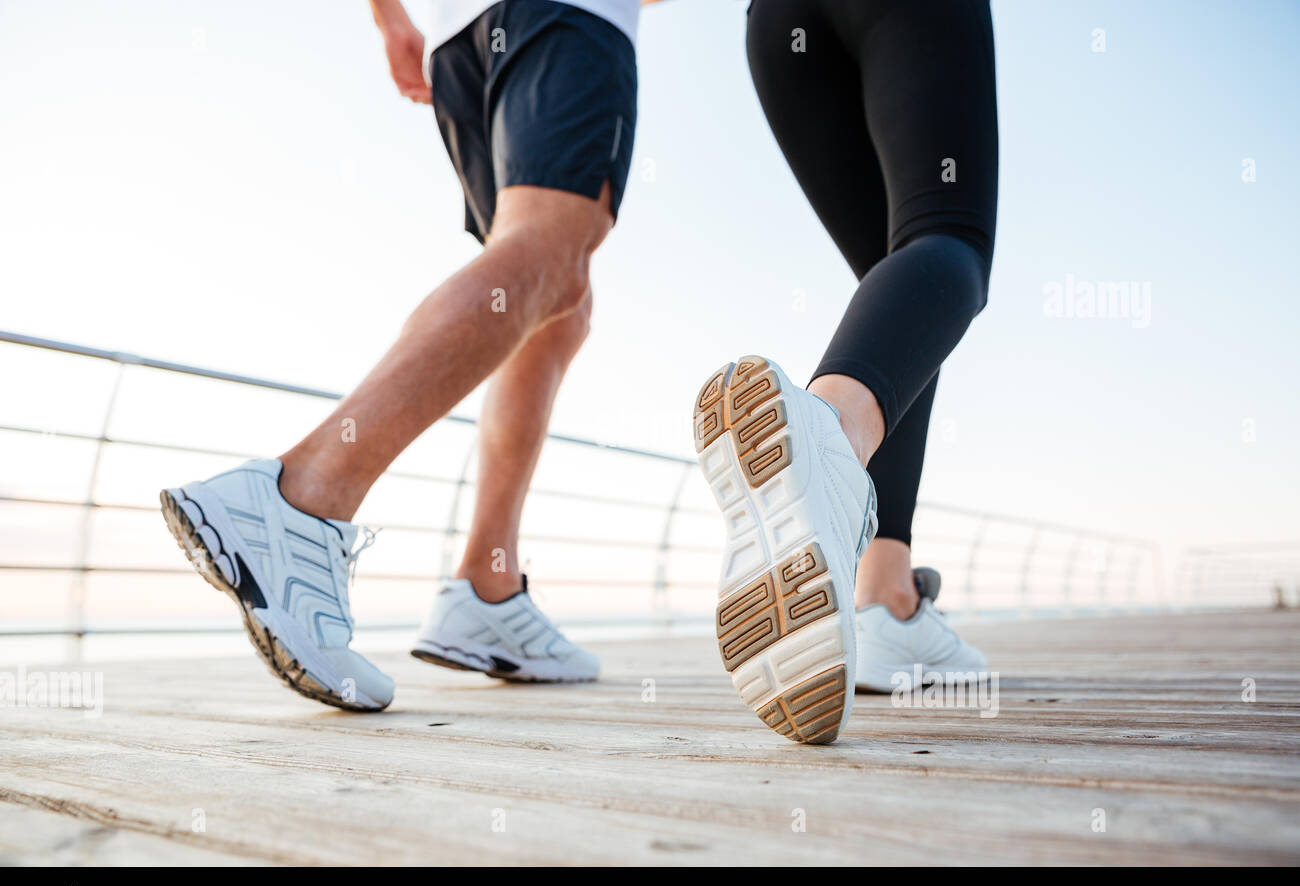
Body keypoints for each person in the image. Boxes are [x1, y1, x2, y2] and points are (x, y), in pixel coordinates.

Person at [160, 0, 644, 711]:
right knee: (548, 257)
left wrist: (388, 17)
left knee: (548, 304)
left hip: (460, 40)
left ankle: (487, 585)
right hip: (567, 16)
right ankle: (304, 498)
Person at [694, 0, 994, 743]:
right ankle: (826, 436)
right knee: (946, 236)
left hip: (778, 25)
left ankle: (888, 598)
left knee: (900, 300)